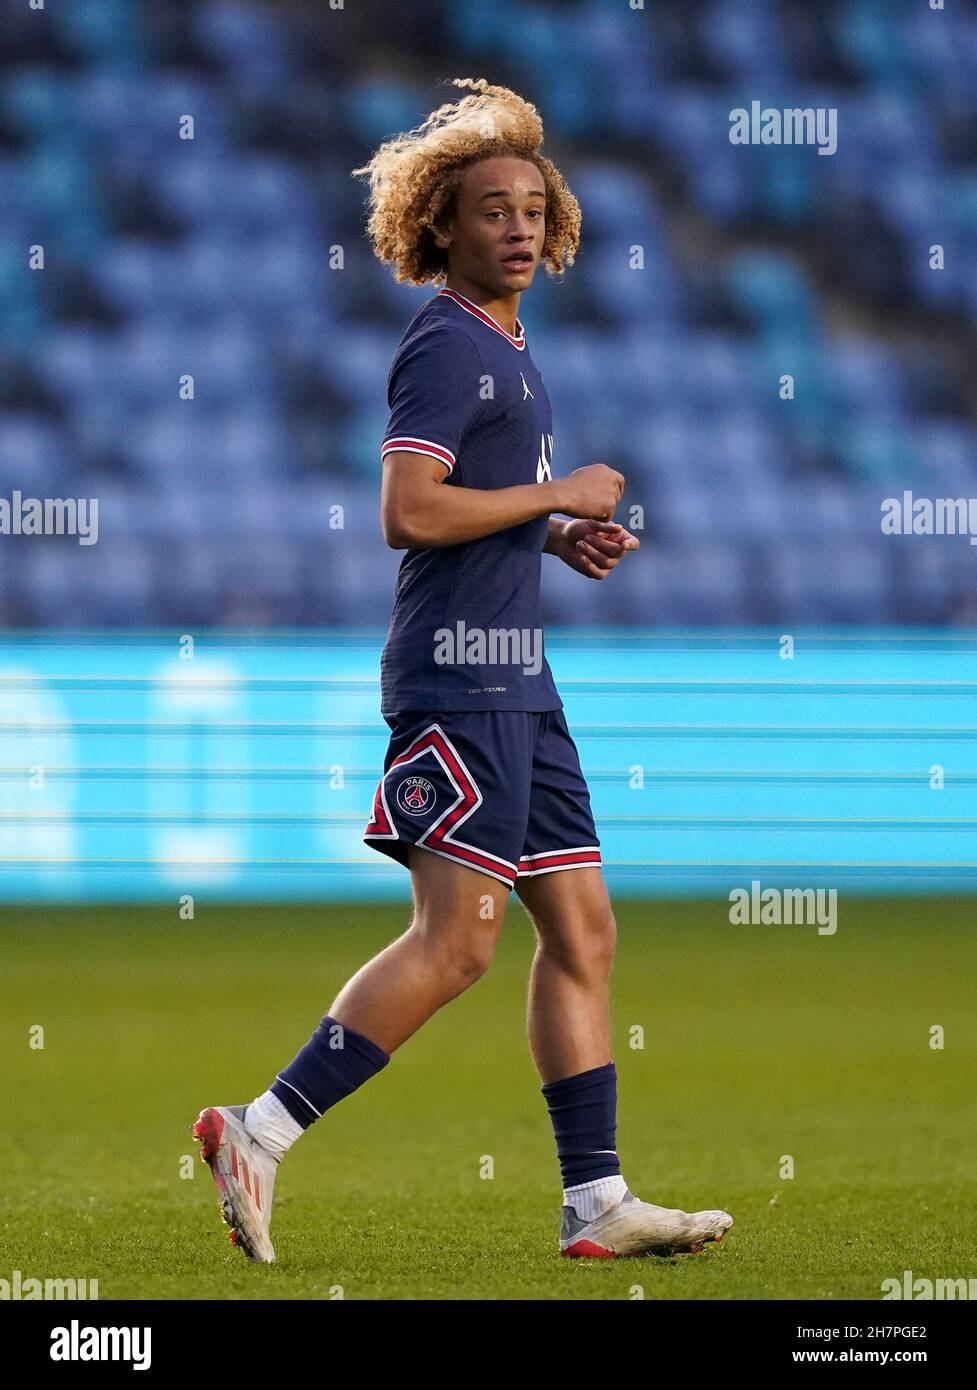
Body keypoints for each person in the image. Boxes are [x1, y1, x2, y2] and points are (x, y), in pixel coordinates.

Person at [192, 77, 732, 1263]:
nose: (521, 228)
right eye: (493, 210)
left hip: (520, 684)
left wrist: (551, 536)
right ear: (441, 224)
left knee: (582, 930)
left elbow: (470, 507)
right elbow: (404, 507)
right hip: (456, 678)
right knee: (458, 943)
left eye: (534, 208)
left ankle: (595, 1201)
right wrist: (553, 491)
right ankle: (258, 1129)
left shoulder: (506, 346)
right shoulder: (444, 341)